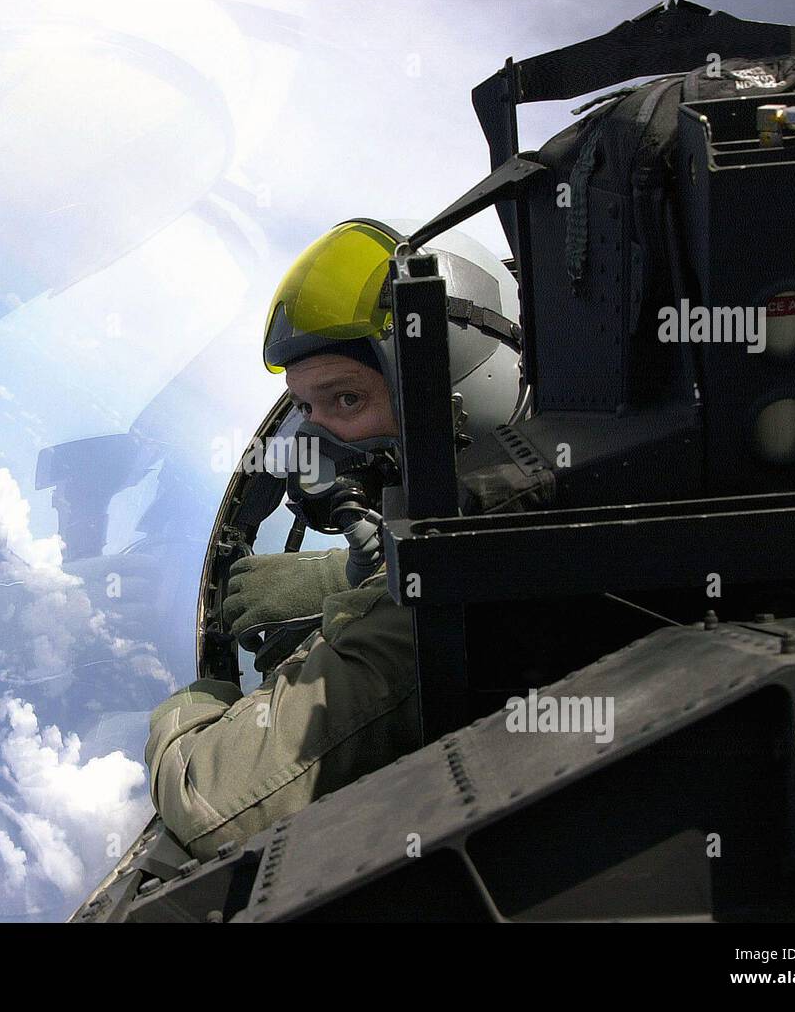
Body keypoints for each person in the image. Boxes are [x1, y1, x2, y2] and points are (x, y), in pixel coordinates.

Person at [144, 219, 521, 860]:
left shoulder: (451, 590)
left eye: (347, 399)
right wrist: (343, 577)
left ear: (459, 399)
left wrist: (197, 703)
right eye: (308, 410)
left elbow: (209, 798)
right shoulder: (521, 488)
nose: (321, 441)